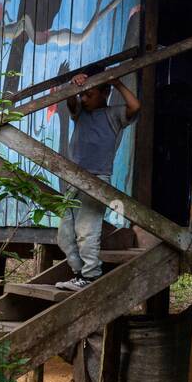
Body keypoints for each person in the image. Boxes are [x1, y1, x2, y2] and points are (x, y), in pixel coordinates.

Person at [55, 66, 141, 290]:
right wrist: (76, 86)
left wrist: (117, 83)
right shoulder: (80, 113)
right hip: (74, 179)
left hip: (97, 180)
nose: (84, 99)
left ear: (105, 94)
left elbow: (135, 106)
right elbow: (71, 102)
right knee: (64, 234)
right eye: (84, 94)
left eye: (89, 94)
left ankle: (91, 276)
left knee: (87, 230)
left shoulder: (114, 115)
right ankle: (78, 273)